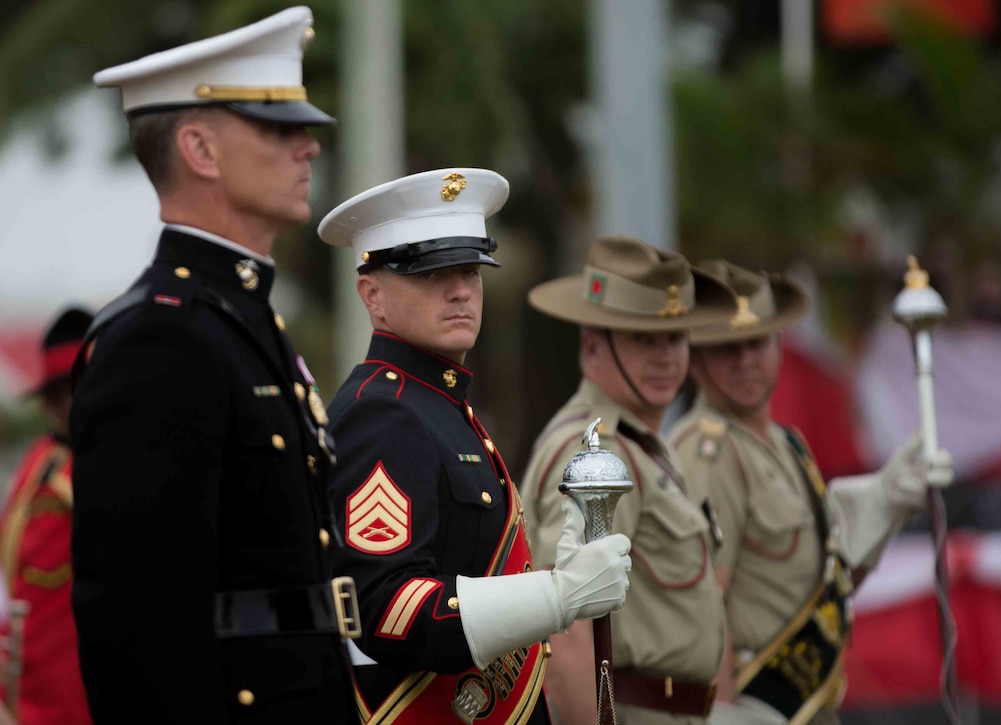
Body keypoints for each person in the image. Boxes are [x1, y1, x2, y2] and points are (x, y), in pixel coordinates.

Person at [68, 8, 357, 723]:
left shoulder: (237, 320)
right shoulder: (162, 338)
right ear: (199, 148)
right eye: (277, 129)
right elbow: (138, 630)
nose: (309, 147)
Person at [319, 168, 632, 724]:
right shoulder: (383, 413)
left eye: (469, 270)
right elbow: (385, 608)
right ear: (373, 295)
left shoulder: (438, 404)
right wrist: (555, 596)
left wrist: (554, 586)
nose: (460, 289)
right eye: (430, 273)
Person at [668, 259, 953, 725]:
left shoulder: (786, 444)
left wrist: (885, 503)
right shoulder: (707, 454)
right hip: (752, 709)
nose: (745, 360)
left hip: (806, 708)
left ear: (780, 345)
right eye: (726, 348)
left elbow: (827, 582)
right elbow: (702, 611)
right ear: (695, 360)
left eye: (757, 342)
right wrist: (720, 717)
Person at [519, 235, 737, 725]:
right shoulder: (596, 453)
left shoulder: (638, 444)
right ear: (593, 344)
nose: (665, 357)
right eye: (642, 338)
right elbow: (567, 632)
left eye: (675, 337)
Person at [0, 306, 94, 725]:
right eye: (55, 393)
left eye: (72, 388)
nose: (62, 404)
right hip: (42, 707)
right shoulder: (39, 470)